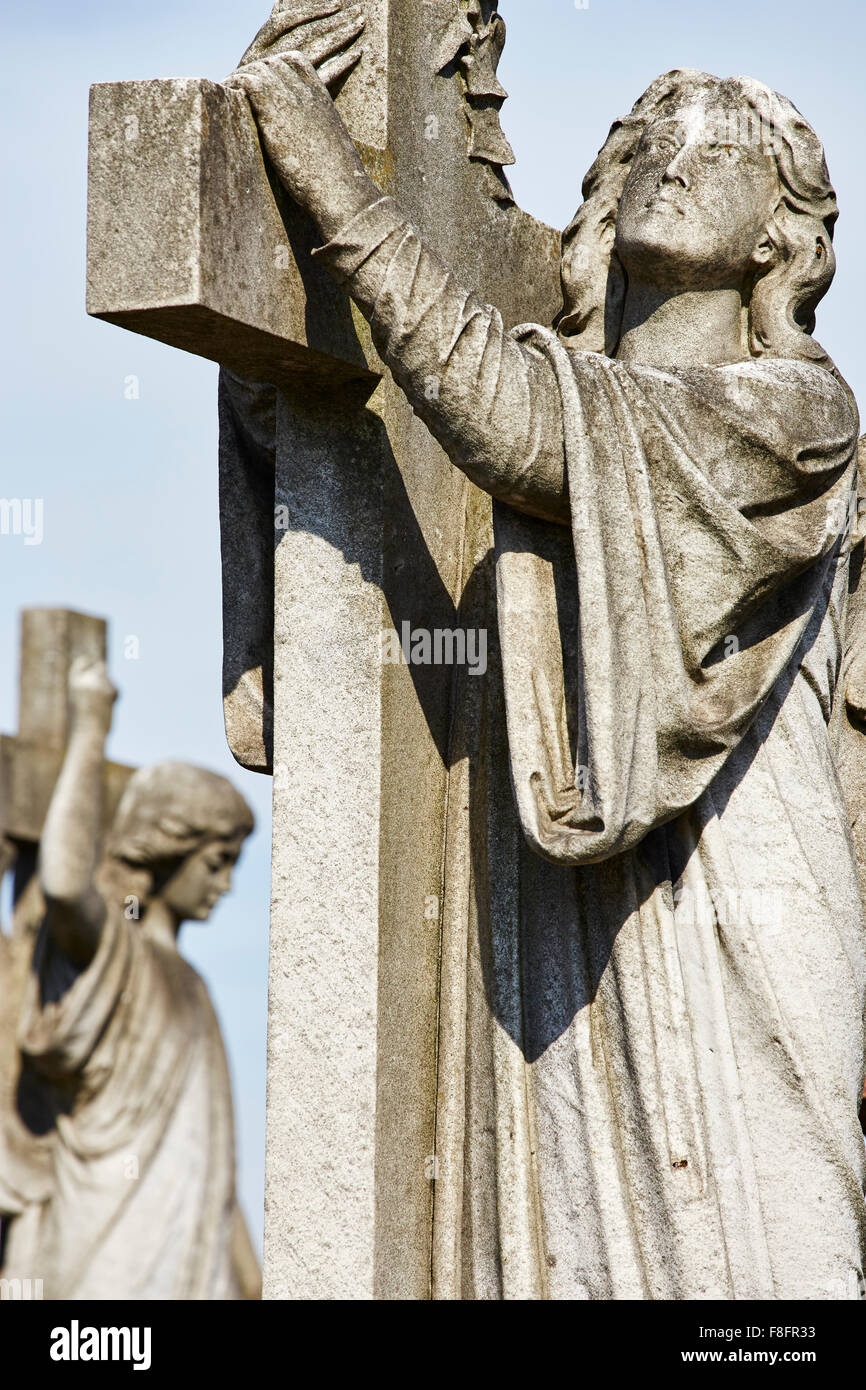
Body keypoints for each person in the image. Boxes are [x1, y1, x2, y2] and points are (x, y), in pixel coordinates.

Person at [223, 2, 865, 1299]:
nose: (678, 158)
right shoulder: (577, 380)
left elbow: (517, 423)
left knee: (768, 1256)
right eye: (654, 139)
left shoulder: (795, 415)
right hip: (564, 902)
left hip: (744, 884)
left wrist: (331, 183)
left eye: (725, 148)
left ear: (779, 239)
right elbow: (485, 400)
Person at [0, 658, 258, 1299]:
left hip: (194, 1261)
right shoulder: (119, 950)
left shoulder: (192, 986)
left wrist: (249, 1274)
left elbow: (215, 1160)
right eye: (216, 862)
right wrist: (91, 729)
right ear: (168, 845)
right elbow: (63, 883)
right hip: (106, 1249)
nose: (225, 886)